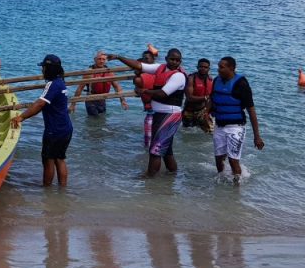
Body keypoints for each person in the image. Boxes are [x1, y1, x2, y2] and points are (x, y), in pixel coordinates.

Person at [109, 48, 186, 176]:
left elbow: (163, 93)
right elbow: (139, 65)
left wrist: (144, 91)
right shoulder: (160, 68)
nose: (174, 62)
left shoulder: (178, 76)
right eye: (172, 59)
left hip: (170, 115)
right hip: (159, 114)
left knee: (155, 149)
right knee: (166, 151)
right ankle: (173, 175)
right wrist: (118, 57)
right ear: (166, 59)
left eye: (177, 60)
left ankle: (149, 178)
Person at [11, 54, 73, 186]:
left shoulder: (52, 84)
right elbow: (43, 104)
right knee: (60, 159)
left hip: (54, 130)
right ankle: (62, 190)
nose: (42, 70)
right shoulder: (61, 82)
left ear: (49, 69)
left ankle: (46, 190)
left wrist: (21, 117)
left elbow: (40, 104)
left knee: (48, 160)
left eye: (44, 67)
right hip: (66, 128)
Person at [209, 56, 264, 181]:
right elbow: (212, 100)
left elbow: (251, 110)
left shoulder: (241, 84)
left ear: (231, 68)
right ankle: (221, 186)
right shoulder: (216, 80)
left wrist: (257, 136)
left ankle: (236, 189)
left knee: (233, 160)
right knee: (218, 160)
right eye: (218, 67)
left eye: (221, 67)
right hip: (219, 126)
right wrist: (205, 112)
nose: (218, 70)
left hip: (236, 127)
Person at [72, 50, 129, 117]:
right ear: (95, 60)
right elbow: (80, 88)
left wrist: (122, 100)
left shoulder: (110, 72)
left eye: (103, 59)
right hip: (91, 100)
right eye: (99, 59)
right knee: (94, 120)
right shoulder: (89, 73)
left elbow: (117, 87)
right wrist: (73, 104)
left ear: (106, 60)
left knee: (102, 121)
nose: (101, 61)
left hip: (102, 100)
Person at [183, 58, 214, 131]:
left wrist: (208, 111)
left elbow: (211, 98)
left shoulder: (210, 79)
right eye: (201, 66)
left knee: (210, 132)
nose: (203, 68)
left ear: (209, 69)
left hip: (202, 111)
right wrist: (206, 97)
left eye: (205, 67)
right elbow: (189, 97)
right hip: (189, 112)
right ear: (197, 67)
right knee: (187, 134)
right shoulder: (191, 79)